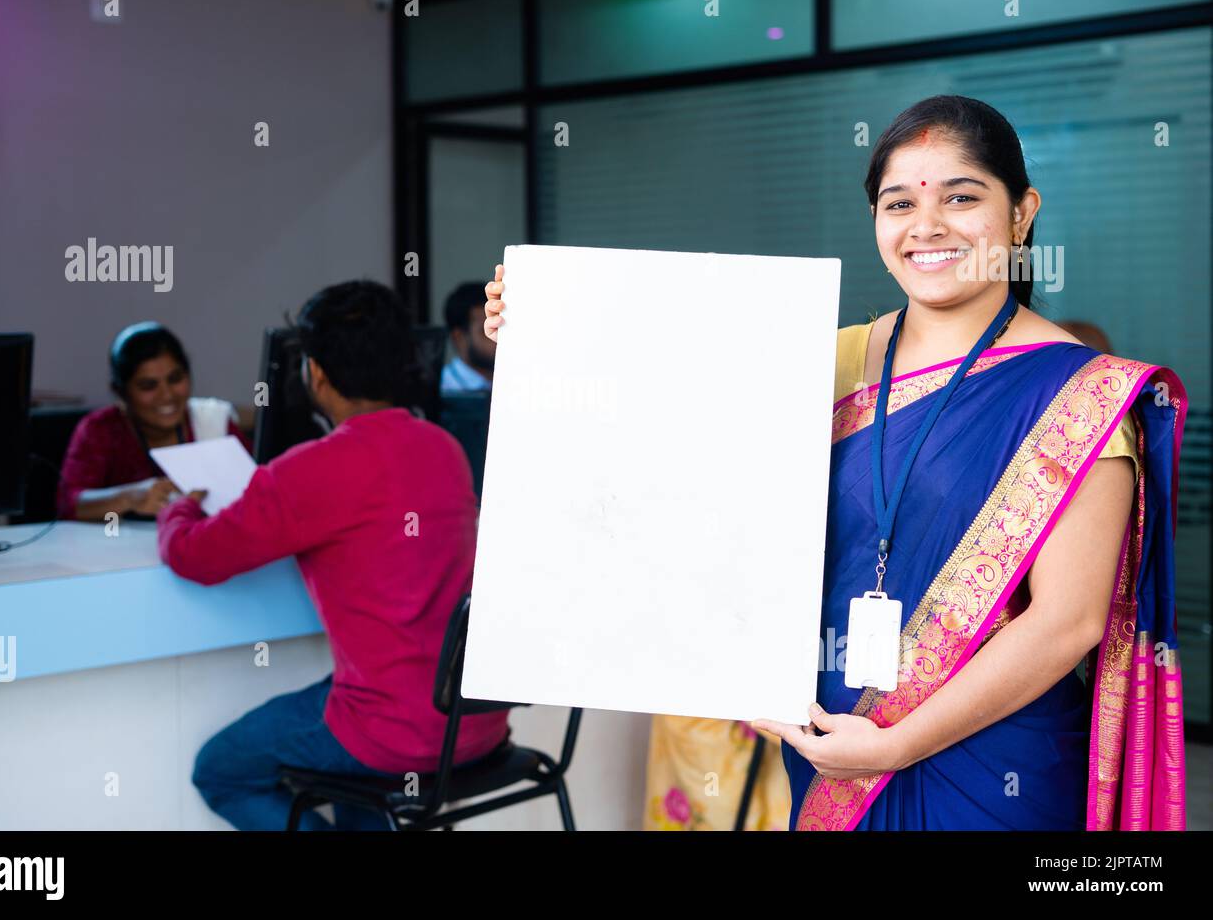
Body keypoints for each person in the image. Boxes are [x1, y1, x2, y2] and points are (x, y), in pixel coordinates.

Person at [483, 95, 1186, 831]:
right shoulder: (823, 355)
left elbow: (1067, 623)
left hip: (994, 764)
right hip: (831, 738)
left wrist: (898, 744)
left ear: (1020, 213)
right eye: (898, 202)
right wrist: (544, 333)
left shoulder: (1082, 393)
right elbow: (663, 440)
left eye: (961, 196)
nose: (928, 226)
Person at [157, 280, 508, 830]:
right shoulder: (444, 449)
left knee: (221, 770)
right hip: (474, 723)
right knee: (351, 757)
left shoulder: (306, 472)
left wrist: (177, 510)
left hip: (392, 731)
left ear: (314, 373)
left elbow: (195, 558)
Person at [56, 322, 248, 521]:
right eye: (148, 386)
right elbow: (67, 504)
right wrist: (129, 497)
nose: (166, 395)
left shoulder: (213, 422)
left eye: (175, 379)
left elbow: (258, 492)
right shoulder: (101, 429)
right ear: (120, 392)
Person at [441, 281, 496, 394]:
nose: (496, 338)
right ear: (459, 338)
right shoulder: (441, 387)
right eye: (485, 331)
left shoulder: (517, 382)